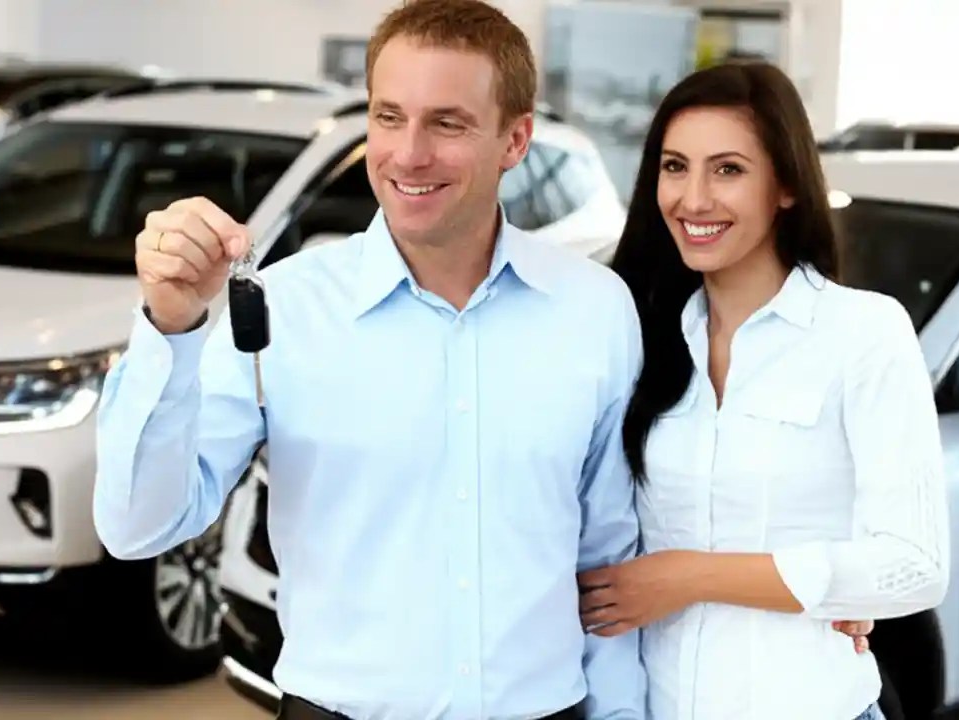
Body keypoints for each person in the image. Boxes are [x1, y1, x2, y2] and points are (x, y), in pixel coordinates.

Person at [92, 0, 647, 717]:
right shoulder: (286, 308)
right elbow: (139, 527)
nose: (408, 154)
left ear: (515, 141)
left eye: (447, 123)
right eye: (389, 117)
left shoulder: (595, 309)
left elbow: (607, 562)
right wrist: (171, 328)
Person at [577, 61, 950, 720]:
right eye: (674, 167)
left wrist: (688, 576)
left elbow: (914, 566)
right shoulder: (635, 336)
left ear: (786, 185)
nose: (693, 199)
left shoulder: (862, 332)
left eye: (728, 170)